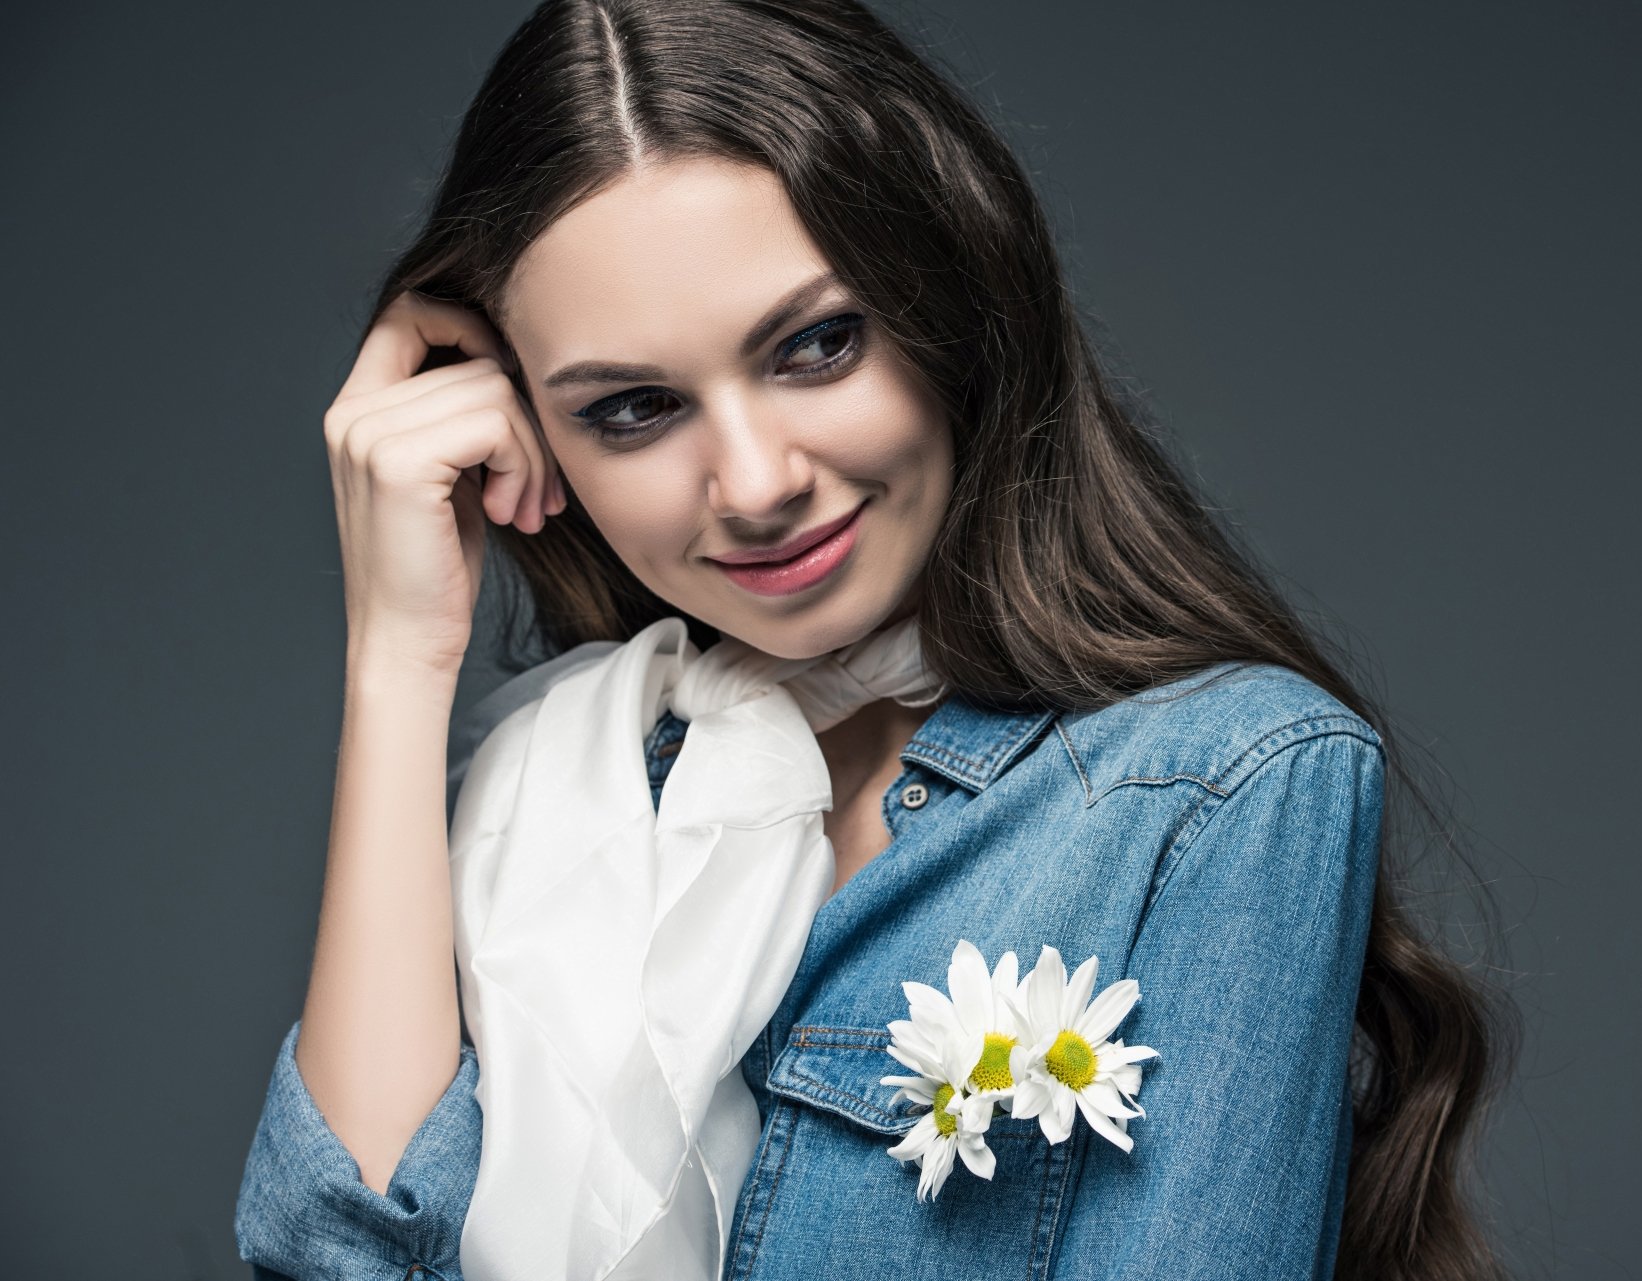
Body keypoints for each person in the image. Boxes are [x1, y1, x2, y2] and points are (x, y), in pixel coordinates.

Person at [233, 1, 1517, 1278]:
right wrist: (398, 659)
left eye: (817, 346)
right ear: (534, 433)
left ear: (950, 299)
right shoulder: (556, 792)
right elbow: (335, 1262)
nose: (754, 483)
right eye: (633, 409)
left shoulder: (1220, 791)